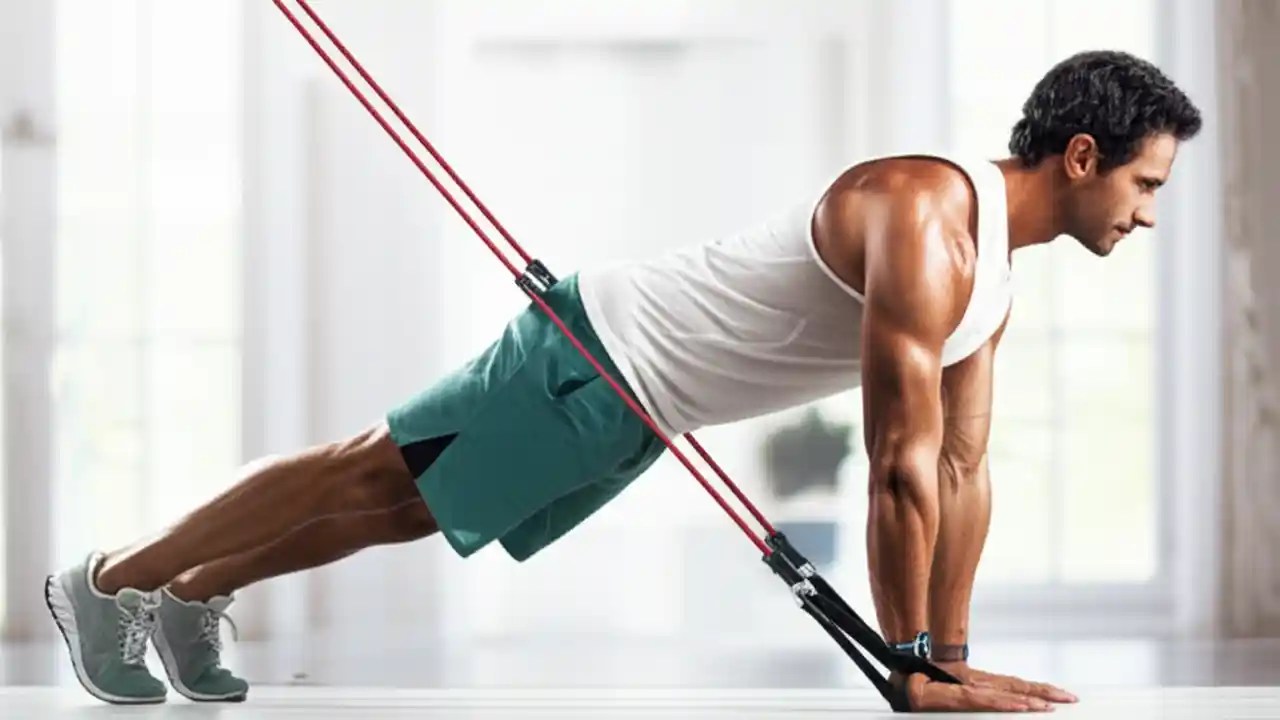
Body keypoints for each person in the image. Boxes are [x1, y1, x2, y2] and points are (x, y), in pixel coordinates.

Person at [45, 49, 1201, 712]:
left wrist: (944, 662)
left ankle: (187, 597)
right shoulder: (924, 208)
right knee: (374, 465)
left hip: (649, 410)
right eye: (1144, 185)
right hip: (601, 343)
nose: (1146, 214)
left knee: (407, 508)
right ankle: (110, 579)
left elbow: (960, 467)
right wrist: (903, 677)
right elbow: (898, 464)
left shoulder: (992, 281)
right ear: (1081, 156)